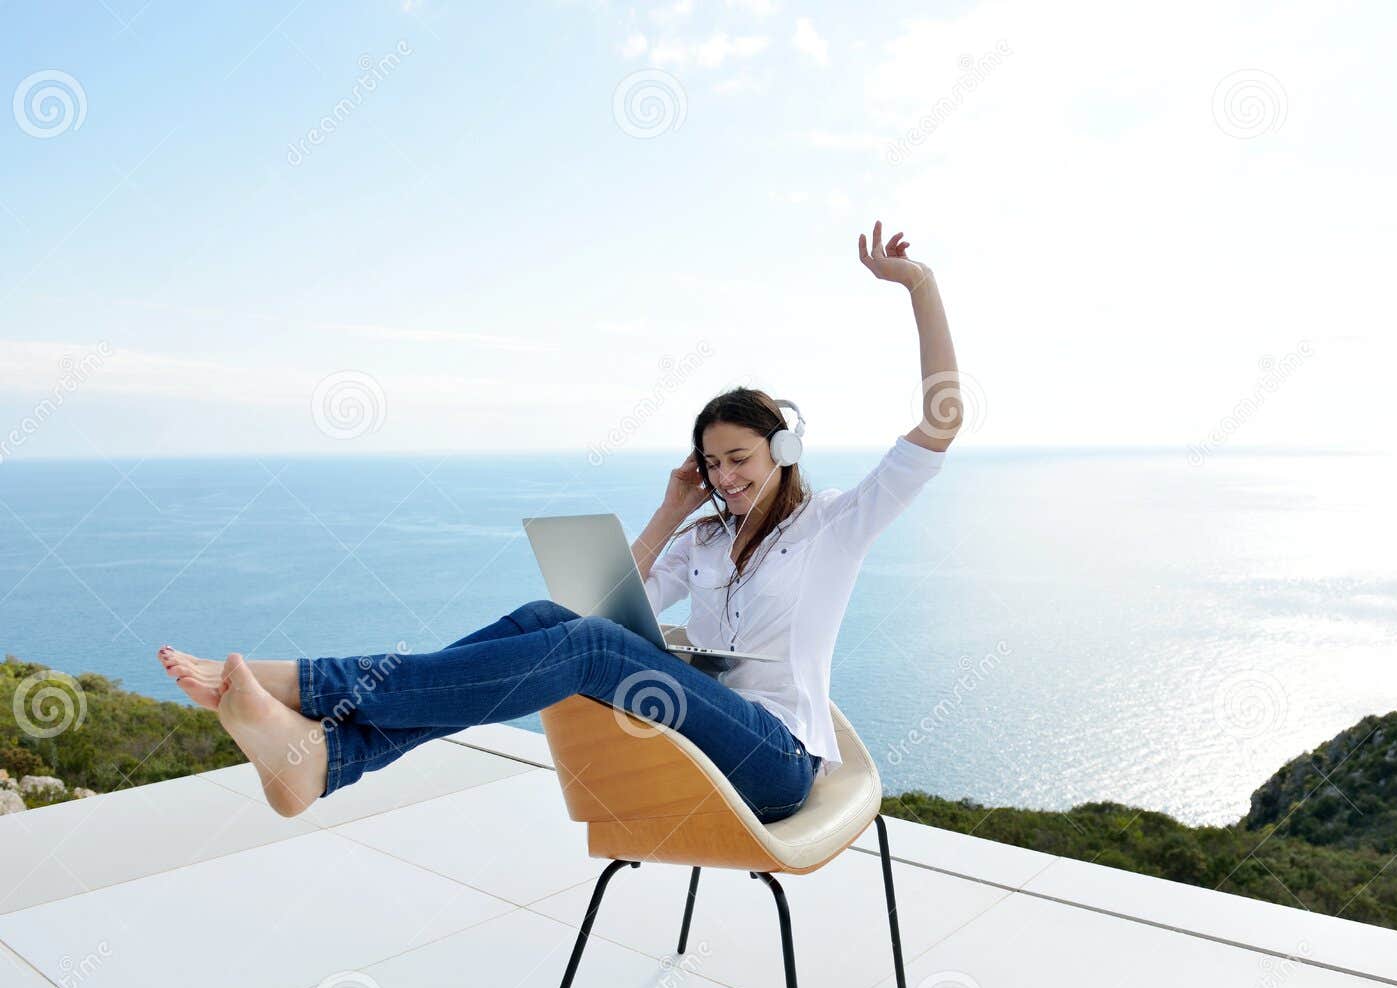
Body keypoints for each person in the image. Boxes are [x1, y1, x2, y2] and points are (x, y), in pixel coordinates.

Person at [156, 221, 962, 820]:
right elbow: (599, 603)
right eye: (711, 463)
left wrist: (918, 283)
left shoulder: (837, 525)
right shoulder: (707, 535)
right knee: (553, 619)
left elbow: (941, 420)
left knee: (584, 646)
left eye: (740, 460)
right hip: (703, 729)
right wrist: (672, 507)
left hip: (777, 760)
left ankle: (311, 689)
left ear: (783, 450)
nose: (725, 477)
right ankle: (333, 756)